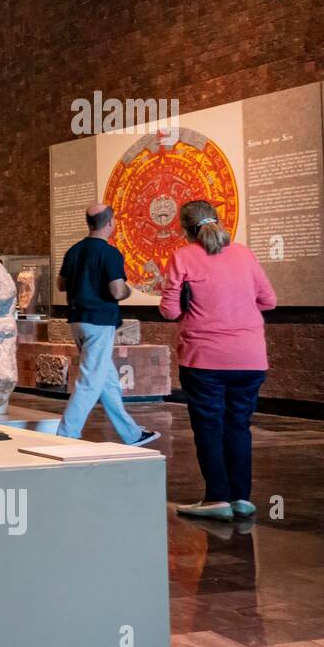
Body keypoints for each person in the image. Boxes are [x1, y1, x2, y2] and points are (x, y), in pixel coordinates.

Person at [160, 200, 276, 520]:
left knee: (209, 427)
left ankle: (216, 499)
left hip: (204, 359)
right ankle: (241, 497)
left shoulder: (182, 257)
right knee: (238, 426)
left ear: (185, 229)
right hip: (250, 357)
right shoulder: (244, 254)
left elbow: (169, 311)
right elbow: (269, 300)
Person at [55, 203, 160, 447]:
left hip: (78, 321)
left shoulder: (74, 250)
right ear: (110, 223)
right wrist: (127, 291)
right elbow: (115, 291)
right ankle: (67, 434)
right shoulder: (110, 253)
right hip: (99, 322)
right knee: (90, 381)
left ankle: (131, 434)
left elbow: (62, 284)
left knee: (107, 380)